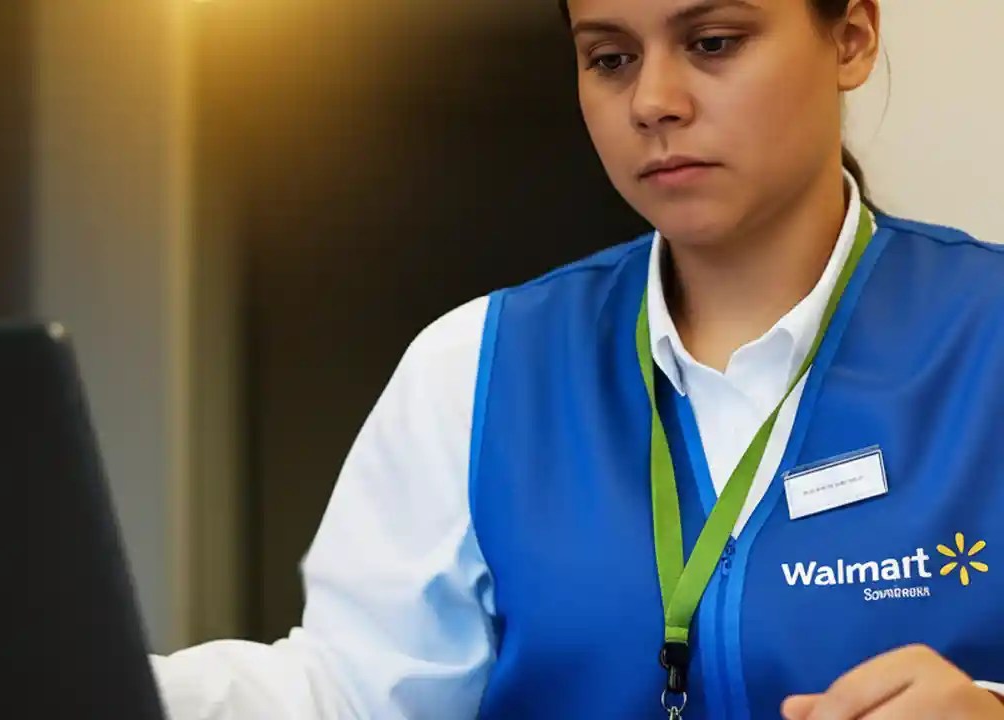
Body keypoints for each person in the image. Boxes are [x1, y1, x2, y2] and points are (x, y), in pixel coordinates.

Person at [153, 0, 1004, 717]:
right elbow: (355, 692)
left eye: (712, 43)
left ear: (851, 39)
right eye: (610, 58)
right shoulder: (478, 365)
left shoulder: (987, 335)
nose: (654, 100)